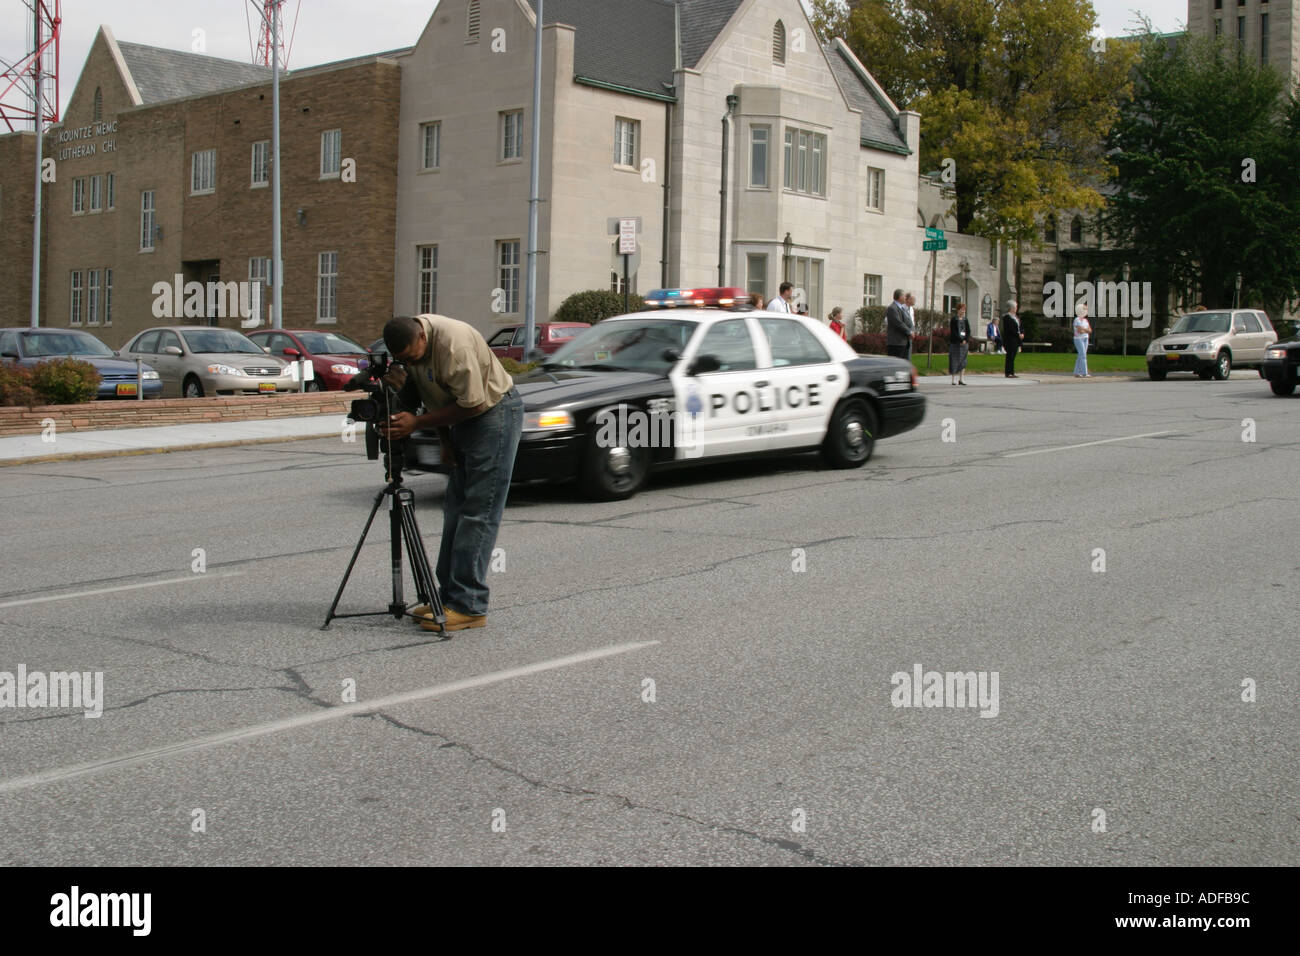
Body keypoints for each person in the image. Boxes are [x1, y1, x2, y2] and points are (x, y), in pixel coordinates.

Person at [379, 313, 524, 632]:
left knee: (478, 512)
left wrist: (415, 424)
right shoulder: (412, 350)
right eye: (400, 359)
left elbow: (472, 404)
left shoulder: (453, 344)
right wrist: (444, 441)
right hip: (459, 421)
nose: (407, 362)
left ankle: (469, 605)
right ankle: (447, 597)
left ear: (421, 337)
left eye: (410, 356)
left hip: (493, 415)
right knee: (455, 511)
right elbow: (435, 398)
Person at [885, 289, 911, 360]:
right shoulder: (892, 308)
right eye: (904, 296)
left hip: (903, 342)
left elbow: (907, 321)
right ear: (900, 297)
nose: (906, 297)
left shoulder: (902, 308)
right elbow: (898, 323)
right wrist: (909, 332)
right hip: (896, 343)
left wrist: (911, 331)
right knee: (895, 365)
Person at [1000, 300, 1023, 378]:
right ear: (1011, 308)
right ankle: (1008, 372)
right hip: (1010, 340)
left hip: (1016, 340)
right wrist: (1018, 334)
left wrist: (1022, 333)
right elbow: (1010, 329)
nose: (1016, 308)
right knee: (1009, 356)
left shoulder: (1016, 317)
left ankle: (1012, 372)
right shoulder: (1007, 317)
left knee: (1013, 356)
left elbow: (1020, 327)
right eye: (1015, 307)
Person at [949, 302, 970, 385]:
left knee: (963, 361)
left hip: (964, 344)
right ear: (958, 310)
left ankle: (961, 379)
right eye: (961, 310)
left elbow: (968, 331)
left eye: (964, 310)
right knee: (954, 360)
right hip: (955, 343)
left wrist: (965, 340)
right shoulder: (954, 320)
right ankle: (953, 379)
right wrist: (960, 340)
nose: (963, 311)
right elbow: (953, 332)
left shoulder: (966, 320)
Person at [1072, 302, 1092, 378]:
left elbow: (1090, 330)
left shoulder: (1085, 320)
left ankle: (1076, 372)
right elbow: (1080, 331)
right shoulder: (1076, 320)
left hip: (1085, 338)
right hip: (1078, 339)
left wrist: (1084, 329)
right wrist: (1085, 329)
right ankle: (1085, 372)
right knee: (1083, 355)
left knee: (1080, 355)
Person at [904, 293, 918, 359]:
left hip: (911, 331)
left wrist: (913, 330)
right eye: (913, 299)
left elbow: (912, 320)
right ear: (908, 299)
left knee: (909, 349)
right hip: (904, 331)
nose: (915, 300)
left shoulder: (911, 309)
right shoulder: (902, 308)